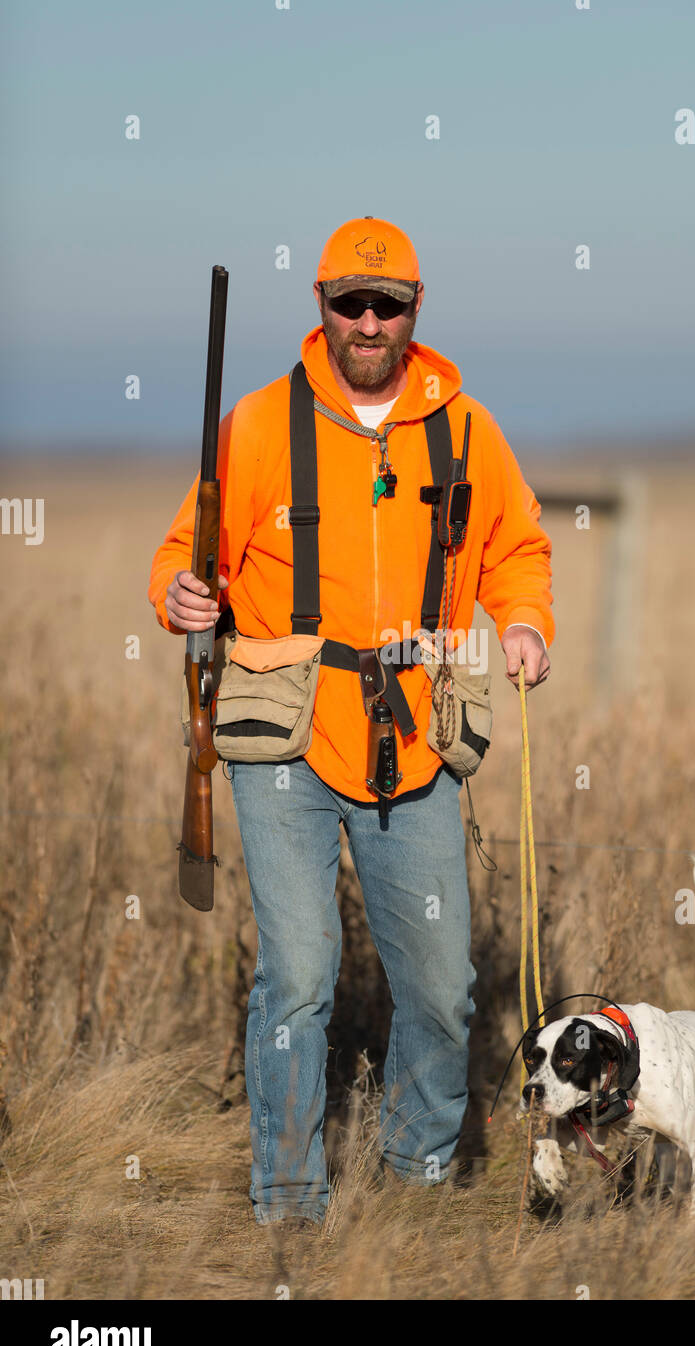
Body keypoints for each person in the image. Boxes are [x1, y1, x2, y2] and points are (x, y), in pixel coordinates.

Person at [148, 216, 554, 1228]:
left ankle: (417, 1182)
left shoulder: (465, 428)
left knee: (445, 985)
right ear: (320, 304)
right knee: (298, 973)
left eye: (389, 304)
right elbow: (184, 553)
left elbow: (518, 545)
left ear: (419, 309)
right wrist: (181, 596)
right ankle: (289, 1200)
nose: (368, 321)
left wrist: (526, 624)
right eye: (350, 301)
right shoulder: (256, 424)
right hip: (280, 738)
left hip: (415, 736)